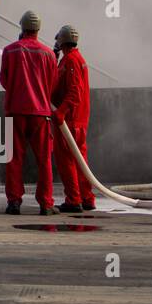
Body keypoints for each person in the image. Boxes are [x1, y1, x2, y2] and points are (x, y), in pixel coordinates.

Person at [0, 11, 59, 215]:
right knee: (44, 160)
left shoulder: (10, 51)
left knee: (14, 159)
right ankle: (46, 204)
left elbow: (4, 81)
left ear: (21, 27)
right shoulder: (49, 54)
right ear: (38, 29)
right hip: (41, 114)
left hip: (15, 112)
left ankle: (14, 202)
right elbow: (52, 85)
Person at [51, 25, 95, 212]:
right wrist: (55, 56)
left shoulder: (70, 61)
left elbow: (75, 91)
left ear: (62, 41)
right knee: (80, 161)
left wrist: (61, 111)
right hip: (79, 120)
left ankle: (73, 199)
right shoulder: (76, 59)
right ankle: (87, 198)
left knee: (66, 161)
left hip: (69, 121)